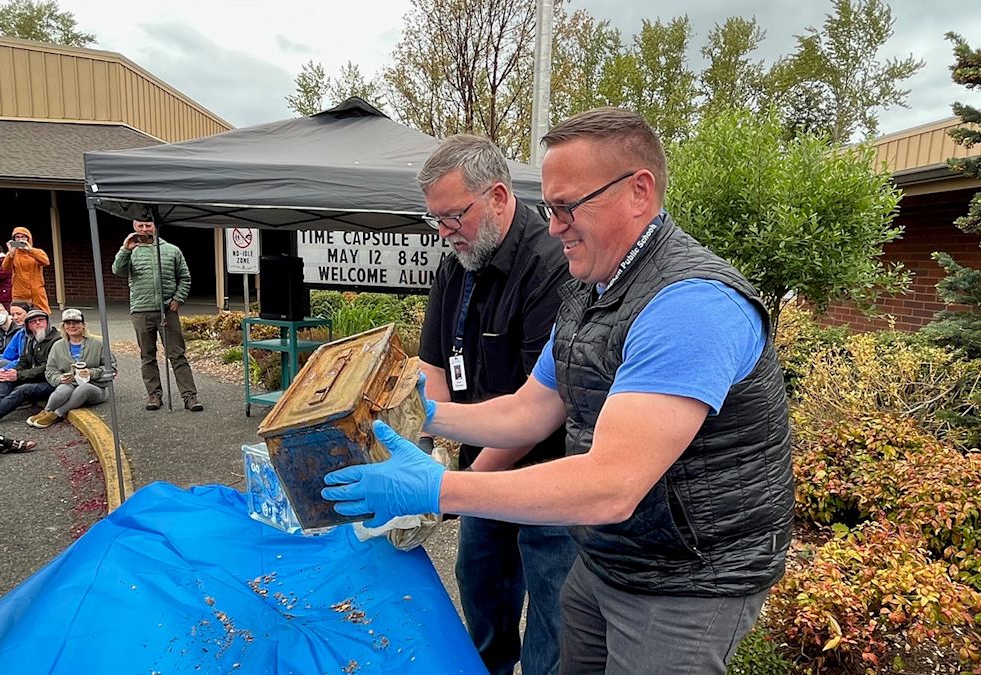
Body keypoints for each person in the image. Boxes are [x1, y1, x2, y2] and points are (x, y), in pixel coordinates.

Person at [322, 108, 794, 674]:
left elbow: (610, 484)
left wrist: (442, 490)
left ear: (638, 192)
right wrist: (425, 414)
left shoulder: (690, 306)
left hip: (686, 579)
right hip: (607, 557)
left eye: (567, 206)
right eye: (549, 207)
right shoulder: (591, 290)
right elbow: (527, 412)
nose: (552, 226)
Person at [414, 134, 576, 675]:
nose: (443, 232)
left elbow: (533, 416)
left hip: (549, 474)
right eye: (434, 219)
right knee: (481, 593)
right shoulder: (457, 259)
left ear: (500, 196)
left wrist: (451, 494)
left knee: (552, 625)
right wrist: (426, 455)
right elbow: (433, 365)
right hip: (480, 466)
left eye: (454, 215)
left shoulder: (551, 264)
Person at [111, 220, 202, 412]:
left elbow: (185, 277)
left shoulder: (171, 250)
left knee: (177, 354)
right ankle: (154, 395)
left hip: (167, 310)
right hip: (141, 310)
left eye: (148, 225)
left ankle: (190, 397)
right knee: (147, 356)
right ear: (135, 227)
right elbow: (117, 271)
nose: (144, 229)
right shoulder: (131, 251)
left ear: (155, 226)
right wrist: (125, 249)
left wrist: (178, 298)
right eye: (141, 226)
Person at [28, 309, 113, 429]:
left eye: (76, 322)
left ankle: (57, 414)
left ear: (83, 325)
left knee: (84, 388)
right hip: (70, 383)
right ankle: (47, 411)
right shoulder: (57, 346)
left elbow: (111, 368)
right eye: (68, 323)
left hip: (95, 387)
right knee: (62, 391)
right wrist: (60, 378)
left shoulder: (98, 344)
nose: (72, 326)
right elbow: (50, 370)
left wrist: (92, 372)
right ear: (63, 327)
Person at [0, 310, 59, 423]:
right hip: (34, 376)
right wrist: (9, 372)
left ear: (47, 322)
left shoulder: (56, 341)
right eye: (33, 321)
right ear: (28, 326)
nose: (38, 323)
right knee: (5, 379)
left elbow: (47, 367)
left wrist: (18, 375)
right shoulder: (31, 339)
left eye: (41, 320)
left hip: (50, 381)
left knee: (22, 390)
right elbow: (23, 362)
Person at [1, 227, 50, 314]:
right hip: (19, 291)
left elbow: (46, 262)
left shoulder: (37, 251)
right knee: (20, 314)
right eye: (17, 237)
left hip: (36, 290)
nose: (20, 240)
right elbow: (5, 268)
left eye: (23, 237)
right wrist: (11, 254)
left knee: (41, 313)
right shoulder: (12, 253)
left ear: (28, 238)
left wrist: (30, 250)